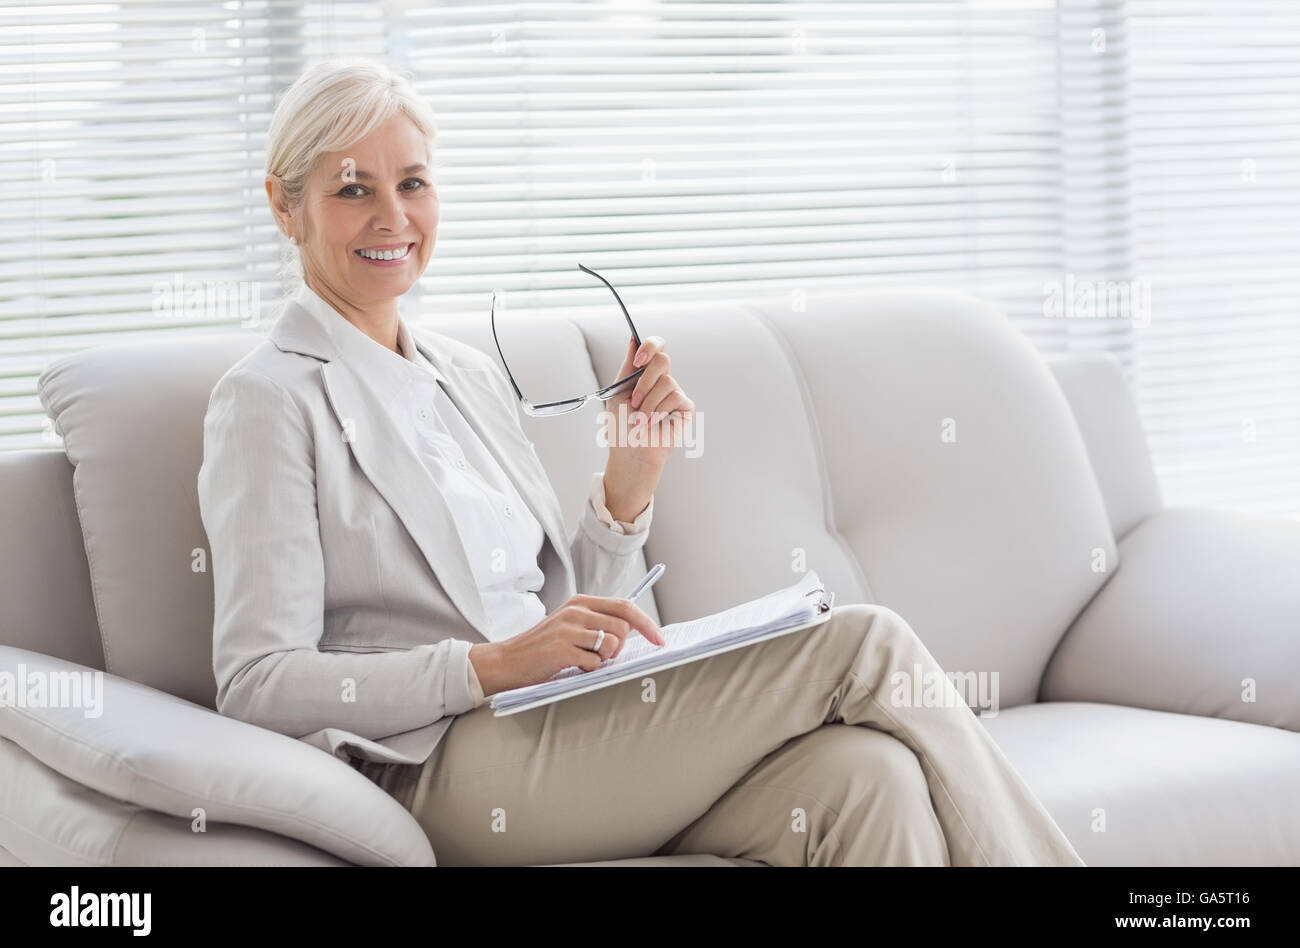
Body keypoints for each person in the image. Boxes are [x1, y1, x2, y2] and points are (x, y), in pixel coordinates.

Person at [197, 58, 1085, 867]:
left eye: (413, 183)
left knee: (868, 780)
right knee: (864, 641)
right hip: (443, 765)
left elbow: (564, 615)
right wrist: (484, 668)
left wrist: (629, 484)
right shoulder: (269, 401)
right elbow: (256, 684)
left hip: (563, 724)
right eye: (353, 190)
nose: (393, 217)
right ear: (285, 206)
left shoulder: (464, 377)